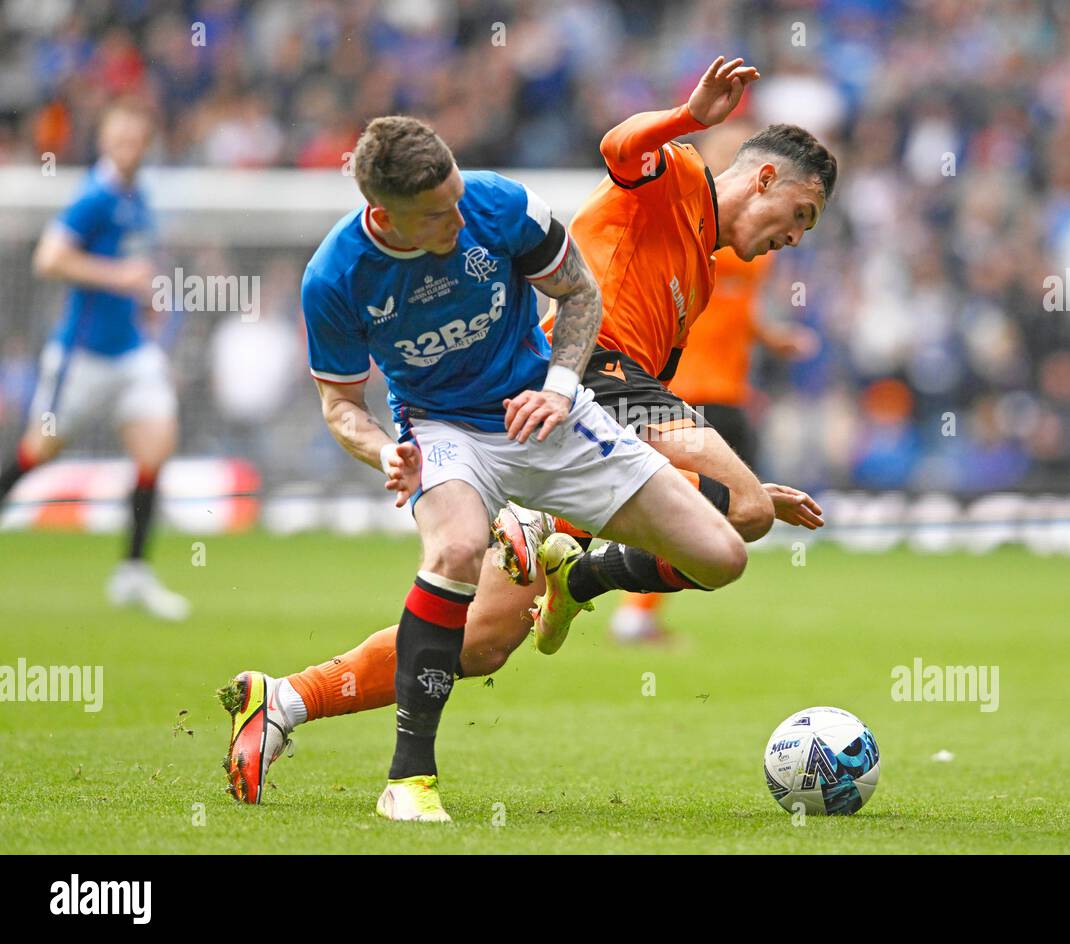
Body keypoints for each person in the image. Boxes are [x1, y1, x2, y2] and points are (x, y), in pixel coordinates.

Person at [221, 57, 836, 809]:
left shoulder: (701, 267)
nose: (797, 236)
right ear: (766, 180)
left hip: (580, 402)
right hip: (579, 381)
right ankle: (554, 547)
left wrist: (702, 479)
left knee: (483, 642)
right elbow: (622, 147)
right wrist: (690, 116)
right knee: (744, 508)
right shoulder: (675, 176)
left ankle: (286, 700)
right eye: (802, 214)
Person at [610, 121, 820, 643]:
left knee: (731, 511)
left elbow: (736, 313)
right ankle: (629, 604)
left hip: (722, 384)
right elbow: (623, 151)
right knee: (718, 506)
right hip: (674, 385)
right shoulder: (693, 222)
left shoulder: (744, 252)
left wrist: (773, 340)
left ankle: (609, 583)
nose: (792, 238)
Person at [0, 100, 189, 621]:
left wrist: (147, 299)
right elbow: (49, 258)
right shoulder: (94, 197)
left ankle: (132, 572)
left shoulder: (140, 197)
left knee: (156, 447)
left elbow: (137, 269)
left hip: (131, 352)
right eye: (122, 135)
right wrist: (118, 276)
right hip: (82, 356)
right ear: (106, 140)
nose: (131, 144)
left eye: (138, 136)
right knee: (38, 452)